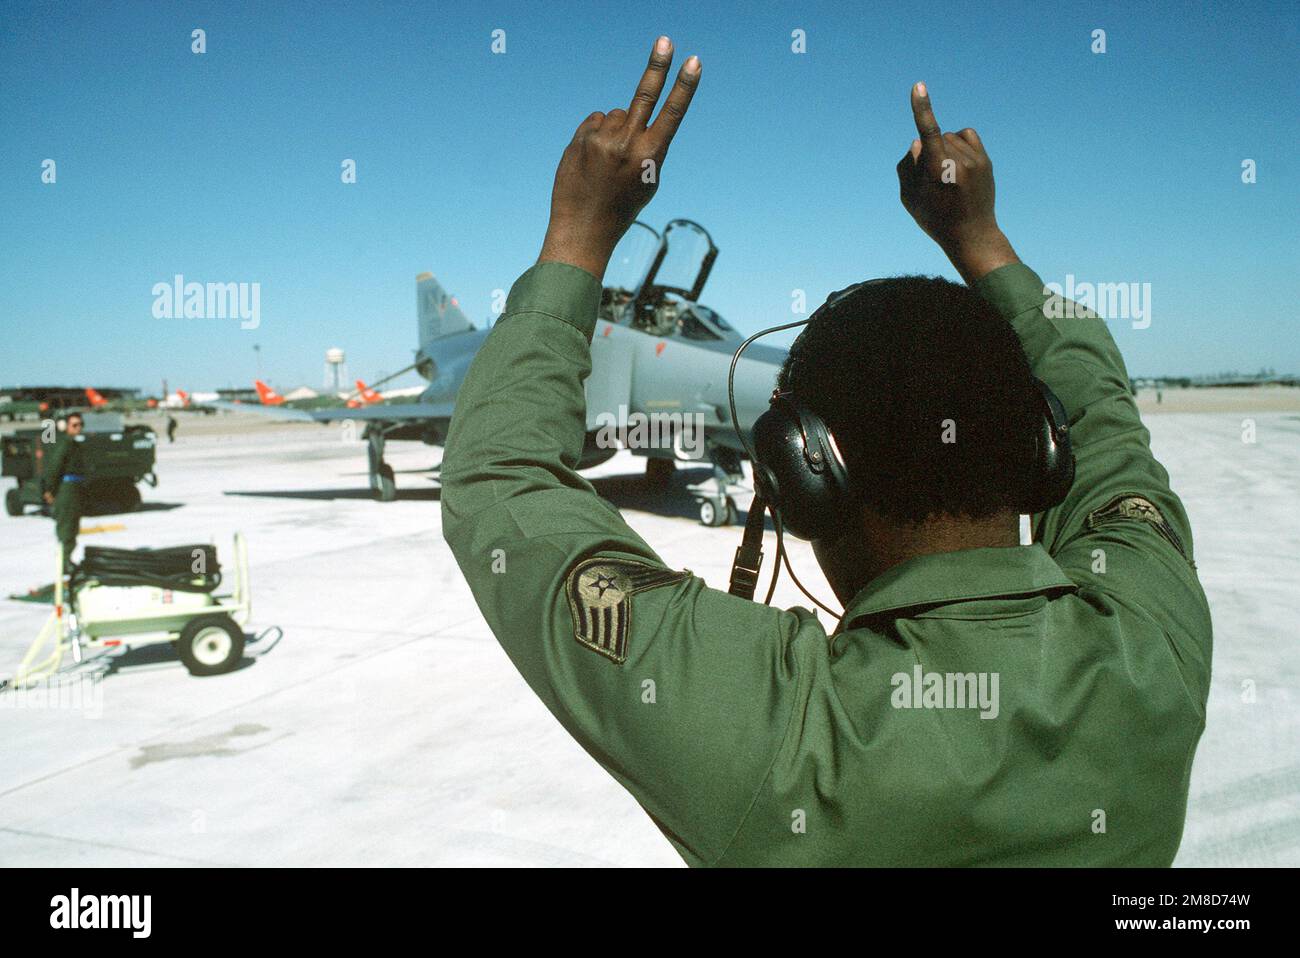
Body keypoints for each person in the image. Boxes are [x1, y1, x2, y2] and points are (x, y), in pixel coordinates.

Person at [440, 39, 1212, 866]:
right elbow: (1101, 412)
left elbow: (499, 472)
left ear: (807, 476)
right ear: (1038, 449)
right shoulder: (1152, 639)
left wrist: (575, 237)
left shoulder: (778, 734)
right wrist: (981, 239)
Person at [43, 412, 88, 572]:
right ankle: (63, 564)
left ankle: (67, 561)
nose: (78, 428)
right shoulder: (65, 444)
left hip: (74, 490)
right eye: (74, 425)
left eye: (80, 424)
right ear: (66, 426)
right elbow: (54, 468)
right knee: (67, 529)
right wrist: (49, 489)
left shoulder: (74, 444)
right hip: (66, 491)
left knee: (72, 527)